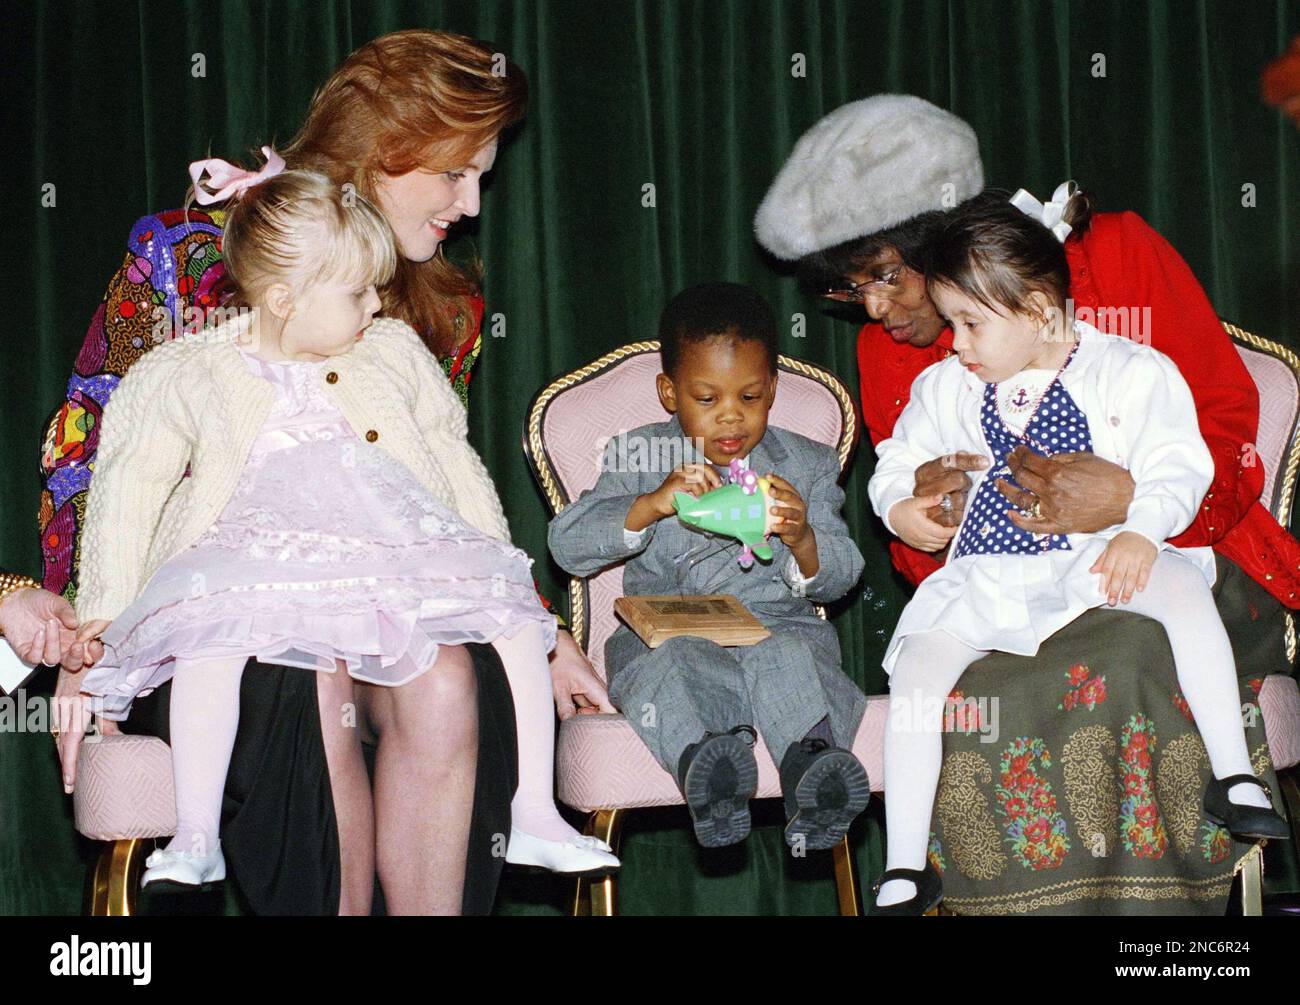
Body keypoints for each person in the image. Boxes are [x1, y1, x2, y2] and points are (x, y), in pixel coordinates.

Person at [41, 29, 612, 916]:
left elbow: (442, 486)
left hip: (388, 592)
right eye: (455, 173)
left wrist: (536, 623)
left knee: (454, 674)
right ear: (381, 155)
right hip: (212, 620)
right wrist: (87, 637)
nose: (470, 202)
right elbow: (92, 455)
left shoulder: (437, 312)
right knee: (306, 677)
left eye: (481, 178)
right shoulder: (189, 248)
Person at [866, 191, 1290, 915]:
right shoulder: (947, 387)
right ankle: (906, 862)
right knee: (916, 673)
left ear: (1037, 310)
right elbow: (894, 460)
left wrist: (1140, 528)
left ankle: (1232, 775)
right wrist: (902, 506)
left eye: (970, 324)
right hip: (990, 575)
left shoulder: (1131, 369)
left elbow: (1178, 464)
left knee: (1183, 590)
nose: (955, 342)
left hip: (1094, 555)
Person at [754, 94, 1300, 607]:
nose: (873, 309)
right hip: (1005, 601)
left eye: (886, 276)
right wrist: (930, 520)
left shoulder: (1114, 255)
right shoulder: (885, 352)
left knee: (1108, 669)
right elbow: (922, 561)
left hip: (1183, 565)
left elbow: (1227, 429)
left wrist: (1136, 507)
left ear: (939, 235)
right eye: (851, 289)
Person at [548, 283, 870, 851]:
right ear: (670, 393)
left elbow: (844, 573)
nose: (730, 419)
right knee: (672, 664)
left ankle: (814, 770)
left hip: (778, 627)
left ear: (772, 388)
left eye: (750, 398)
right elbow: (567, 545)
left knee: (793, 656)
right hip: (670, 629)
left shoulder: (807, 463)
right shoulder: (638, 454)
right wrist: (650, 504)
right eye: (707, 399)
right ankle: (710, 768)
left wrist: (803, 539)